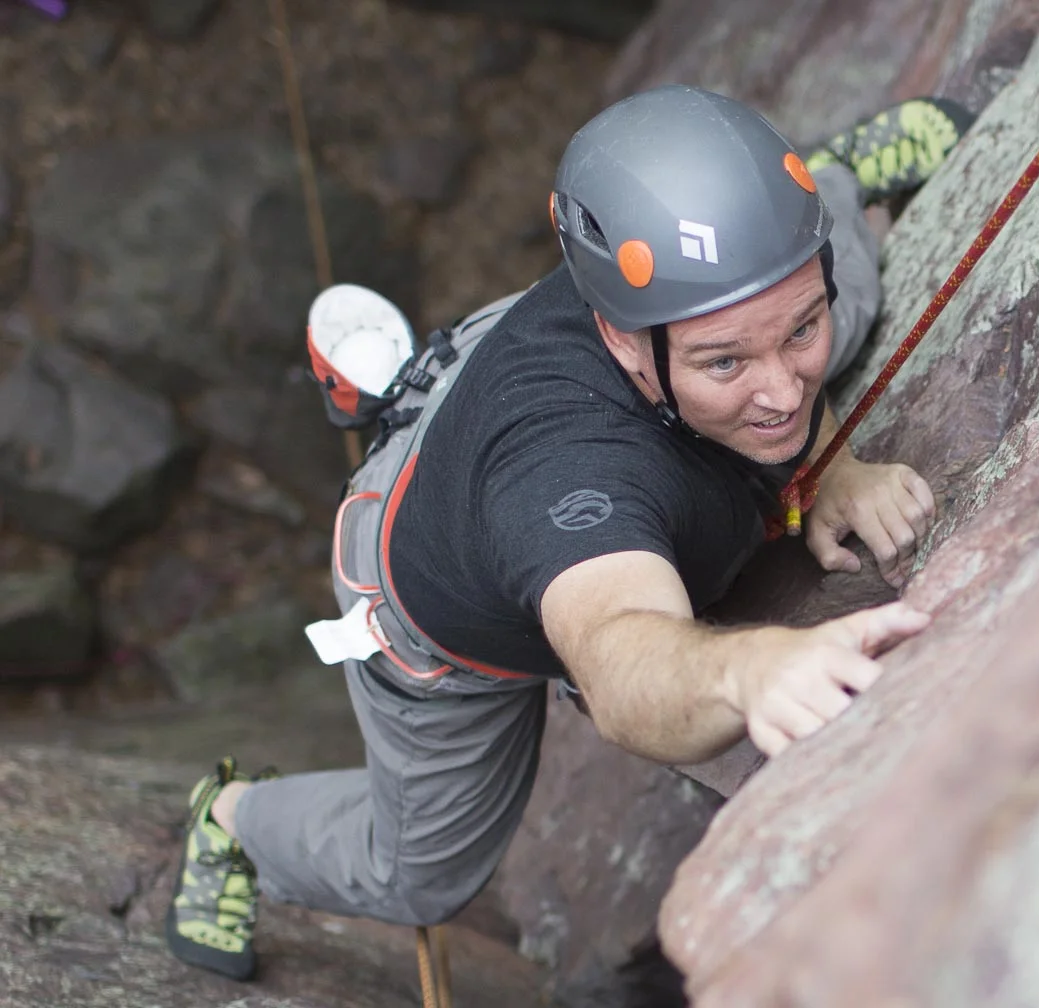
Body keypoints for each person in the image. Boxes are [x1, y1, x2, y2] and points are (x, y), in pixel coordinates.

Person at [163, 85, 976, 981]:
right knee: (415, 878)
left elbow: (777, 338)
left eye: (796, 332)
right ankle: (229, 818)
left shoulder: (721, 308)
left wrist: (834, 463)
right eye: (725, 361)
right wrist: (751, 670)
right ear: (628, 344)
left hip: (524, 371)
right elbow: (622, 655)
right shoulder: (565, 473)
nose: (784, 389)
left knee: (851, 305)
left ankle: (833, 175)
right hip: (435, 611)